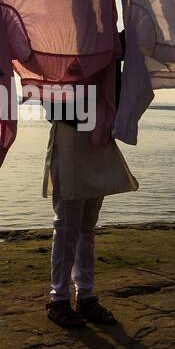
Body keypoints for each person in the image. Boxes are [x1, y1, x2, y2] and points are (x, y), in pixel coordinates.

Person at [43, 83, 138, 328]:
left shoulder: (111, 48)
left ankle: (84, 295)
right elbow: (49, 94)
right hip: (70, 134)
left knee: (86, 226)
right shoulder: (62, 50)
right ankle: (59, 298)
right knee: (67, 225)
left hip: (100, 136)